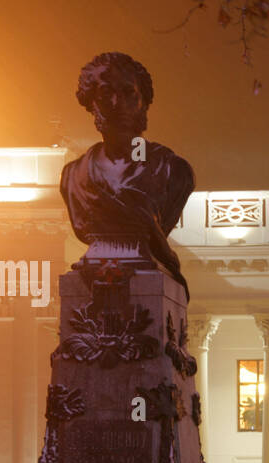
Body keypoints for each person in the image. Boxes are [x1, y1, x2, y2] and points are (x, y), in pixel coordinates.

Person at [60, 52, 195, 297]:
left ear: (144, 100)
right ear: (91, 103)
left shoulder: (172, 171)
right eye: (104, 94)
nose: (116, 103)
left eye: (128, 93)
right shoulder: (73, 177)